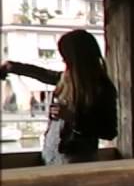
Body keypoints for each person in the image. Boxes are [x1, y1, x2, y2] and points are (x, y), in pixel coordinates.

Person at [0, 29, 117, 165]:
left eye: (65, 55)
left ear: (76, 57)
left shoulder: (102, 88)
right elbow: (43, 74)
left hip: (77, 161)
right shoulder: (67, 79)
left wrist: (73, 118)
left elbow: (109, 131)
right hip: (51, 156)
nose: (63, 59)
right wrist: (12, 67)